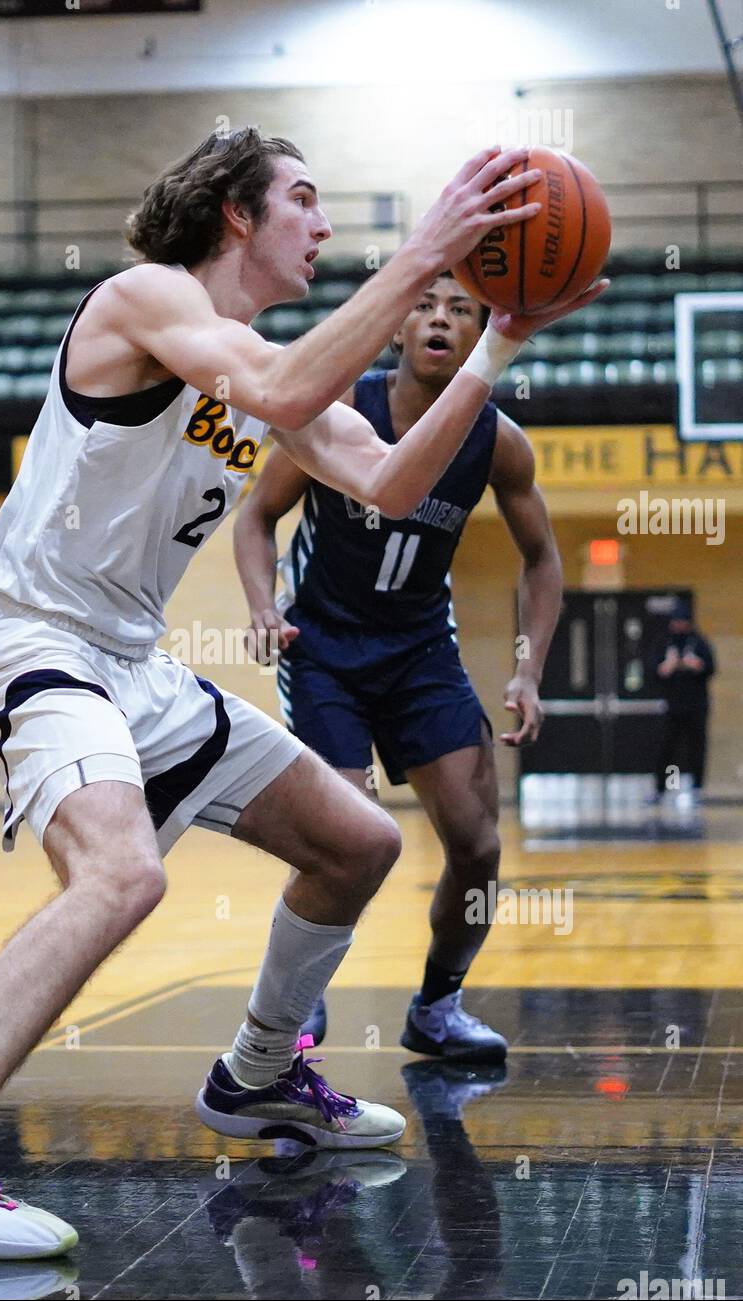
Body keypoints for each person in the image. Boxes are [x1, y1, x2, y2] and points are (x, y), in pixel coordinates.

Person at [0, 128, 604, 1260]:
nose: (324, 223)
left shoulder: (262, 364)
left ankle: (257, 1078)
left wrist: (495, 342)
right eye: (304, 198)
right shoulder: (145, 299)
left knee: (356, 842)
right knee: (121, 873)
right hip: (40, 640)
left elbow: (391, 482)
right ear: (236, 215)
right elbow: (288, 381)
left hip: (135, 663)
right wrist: (424, 248)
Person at [234, 271, 563, 1059]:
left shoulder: (495, 439)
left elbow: (542, 559)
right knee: (345, 842)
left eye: (461, 309)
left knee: (478, 845)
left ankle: (438, 1008)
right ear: (396, 329)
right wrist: (261, 605)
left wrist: (527, 670)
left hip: (419, 653)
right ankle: (294, 1004)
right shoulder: (345, 410)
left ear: (483, 332)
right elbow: (255, 515)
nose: (440, 319)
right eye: (424, 305)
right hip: (325, 655)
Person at [652, 600, 716, 802]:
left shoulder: (699, 642)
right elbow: (654, 671)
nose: (679, 626)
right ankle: (664, 787)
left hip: (696, 706)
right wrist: (667, 666)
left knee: (696, 747)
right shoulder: (665, 642)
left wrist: (697, 665)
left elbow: (711, 668)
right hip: (673, 706)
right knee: (668, 747)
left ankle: (696, 787)